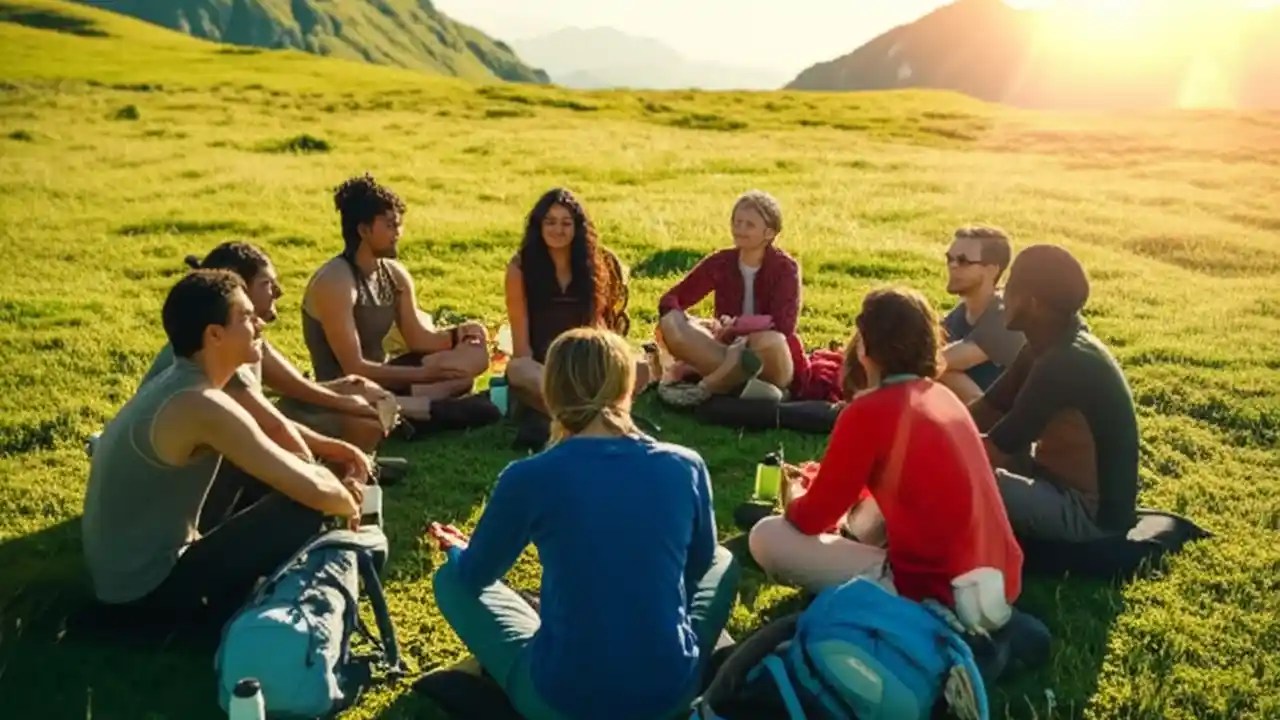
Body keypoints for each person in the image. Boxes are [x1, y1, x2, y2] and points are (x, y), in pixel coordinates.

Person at [430, 328, 739, 720]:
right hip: (668, 695)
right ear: (628, 386)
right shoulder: (684, 465)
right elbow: (698, 568)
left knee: (451, 579)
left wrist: (459, 550)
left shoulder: (529, 476)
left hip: (560, 701)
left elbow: (474, 576)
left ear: (552, 392)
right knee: (723, 560)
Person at [82, 270, 366, 626]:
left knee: (273, 476)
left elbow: (271, 445)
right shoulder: (200, 404)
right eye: (246, 317)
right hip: (143, 594)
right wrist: (348, 500)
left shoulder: (182, 382)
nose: (260, 324)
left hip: (122, 579)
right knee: (304, 508)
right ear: (214, 335)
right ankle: (228, 610)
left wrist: (329, 472)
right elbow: (311, 489)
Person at [749, 287, 1023, 609]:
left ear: (865, 343)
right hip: (1000, 580)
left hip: (938, 591)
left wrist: (794, 494)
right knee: (869, 512)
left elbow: (812, 519)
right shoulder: (944, 396)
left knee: (767, 535)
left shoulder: (868, 412)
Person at [140, 242, 395, 453]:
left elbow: (297, 387)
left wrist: (350, 394)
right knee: (361, 424)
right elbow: (272, 427)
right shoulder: (218, 347)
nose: (278, 292)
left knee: (357, 390)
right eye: (267, 284)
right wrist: (349, 409)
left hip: (247, 429)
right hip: (224, 450)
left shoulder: (244, 335)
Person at [971, 244, 1140, 542]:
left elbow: (996, 448)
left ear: (1033, 303)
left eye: (1009, 287)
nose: (1001, 297)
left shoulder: (1063, 363)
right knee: (960, 464)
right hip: (1049, 481)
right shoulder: (1045, 346)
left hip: (1089, 517)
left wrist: (918, 455)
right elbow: (987, 409)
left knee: (963, 478)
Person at [300, 173, 494, 425]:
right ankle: (428, 410)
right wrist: (426, 374)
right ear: (363, 230)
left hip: (385, 379)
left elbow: (418, 338)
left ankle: (409, 408)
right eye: (390, 225)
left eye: (398, 225)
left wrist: (461, 335)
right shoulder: (336, 281)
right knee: (364, 395)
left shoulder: (393, 275)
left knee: (467, 366)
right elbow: (354, 368)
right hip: (346, 388)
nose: (398, 233)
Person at [503, 188, 644, 444]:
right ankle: (601, 423)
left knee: (641, 367)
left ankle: (570, 424)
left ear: (578, 228)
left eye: (566, 223)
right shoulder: (520, 267)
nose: (558, 230)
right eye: (551, 222)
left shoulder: (600, 263)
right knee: (517, 368)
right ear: (539, 226)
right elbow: (521, 348)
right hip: (544, 371)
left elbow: (606, 330)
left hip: (587, 363)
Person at [655, 190, 808, 401]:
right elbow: (673, 298)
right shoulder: (721, 262)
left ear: (769, 233)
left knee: (768, 339)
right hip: (726, 349)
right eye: (737, 222)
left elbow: (784, 325)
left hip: (770, 357)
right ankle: (754, 390)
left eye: (749, 225)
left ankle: (720, 384)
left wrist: (737, 325)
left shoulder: (785, 269)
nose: (740, 229)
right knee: (672, 323)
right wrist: (684, 319)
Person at [939, 225, 1026, 404]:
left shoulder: (1007, 319)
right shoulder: (959, 314)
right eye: (950, 259)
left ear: (992, 270)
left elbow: (935, 362)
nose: (952, 266)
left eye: (963, 261)